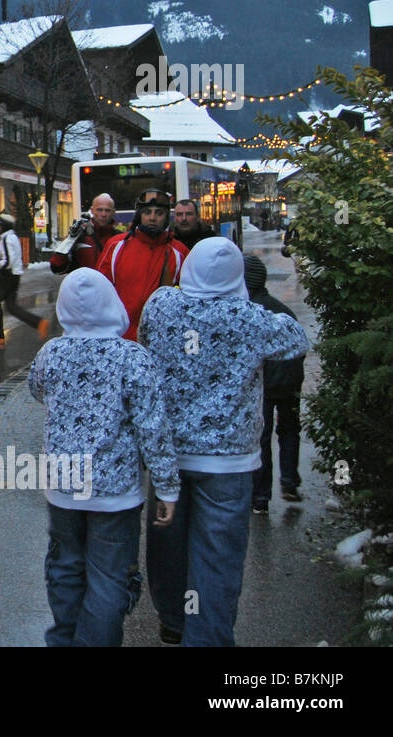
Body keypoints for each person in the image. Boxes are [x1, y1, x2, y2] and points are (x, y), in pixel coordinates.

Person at [138, 237, 310, 646]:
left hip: (170, 458)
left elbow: (145, 336)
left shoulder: (161, 305)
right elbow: (296, 340)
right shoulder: (250, 318)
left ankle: (175, 620)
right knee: (217, 560)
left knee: (167, 547)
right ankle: (209, 637)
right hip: (229, 463)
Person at [29, 268, 179, 646]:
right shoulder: (133, 357)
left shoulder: (52, 352)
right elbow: (153, 427)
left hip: (63, 485)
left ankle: (64, 638)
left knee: (65, 567)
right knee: (109, 576)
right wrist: (167, 487)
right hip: (115, 492)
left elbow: (37, 389)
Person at [243, 255, 306, 513]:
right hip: (291, 381)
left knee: (262, 437)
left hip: (266, 383)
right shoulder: (281, 308)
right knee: (289, 430)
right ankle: (289, 481)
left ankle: (260, 496)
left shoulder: (250, 312)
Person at [96, 189, 189, 341]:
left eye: (159, 213)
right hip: (120, 340)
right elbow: (98, 292)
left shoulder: (180, 253)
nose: (152, 218)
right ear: (139, 215)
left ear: (166, 217)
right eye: (147, 212)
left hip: (160, 342)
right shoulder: (116, 246)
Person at [0, 212, 50, 349]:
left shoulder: (8, 239)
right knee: (12, 307)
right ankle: (39, 324)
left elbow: (9, 259)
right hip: (13, 275)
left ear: (4, 226)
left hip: (6, 275)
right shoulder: (10, 237)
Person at [49, 193, 125, 275]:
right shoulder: (80, 236)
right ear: (92, 210)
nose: (103, 214)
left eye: (107, 210)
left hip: (110, 287)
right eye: (99, 210)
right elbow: (56, 268)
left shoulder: (121, 240)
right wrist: (67, 242)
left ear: (113, 212)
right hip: (83, 286)